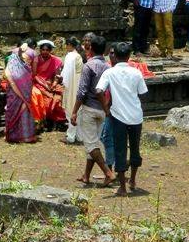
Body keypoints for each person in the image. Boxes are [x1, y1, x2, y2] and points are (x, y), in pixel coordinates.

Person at [96, 43, 148, 197]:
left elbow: (98, 90)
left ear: (115, 56)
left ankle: (123, 187)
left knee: (120, 150)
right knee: (135, 148)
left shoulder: (110, 73)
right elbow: (143, 93)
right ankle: (132, 179)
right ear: (128, 56)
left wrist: (106, 109)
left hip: (118, 116)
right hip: (136, 116)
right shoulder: (136, 72)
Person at [72, 34, 114, 186]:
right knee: (94, 143)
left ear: (91, 48)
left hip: (89, 108)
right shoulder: (108, 67)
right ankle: (86, 175)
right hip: (103, 109)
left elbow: (82, 92)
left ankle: (108, 173)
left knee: (91, 144)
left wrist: (75, 111)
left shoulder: (89, 66)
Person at [2, 40, 36, 144]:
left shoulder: (13, 52)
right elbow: (34, 71)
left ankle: (11, 134)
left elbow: (7, 71)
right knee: (24, 107)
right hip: (25, 82)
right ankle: (26, 136)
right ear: (33, 45)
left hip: (13, 83)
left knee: (12, 106)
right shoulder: (33, 53)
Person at [32, 40, 66, 130]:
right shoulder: (36, 59)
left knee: (59, 95)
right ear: (40, 50)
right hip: (38, 82)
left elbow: (57, 75)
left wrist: (54, 84)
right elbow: (34, 75)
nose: (45, 52)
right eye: (43, 50)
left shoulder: (56, 60)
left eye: (47, 50)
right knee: (48, 98)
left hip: (51, 82)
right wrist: (45, 85)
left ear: (50, 51)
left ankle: (58, 121)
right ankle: (44, 121)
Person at [61, 37, 83, 144]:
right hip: (78, 84)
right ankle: (79, 136)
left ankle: (70, 136)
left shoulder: (70, 56)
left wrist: (63, 83)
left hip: (71, 85)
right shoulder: (78, 55)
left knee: (71, 111)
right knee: (78, 110)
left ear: (69, 44)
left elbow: (67, 73)